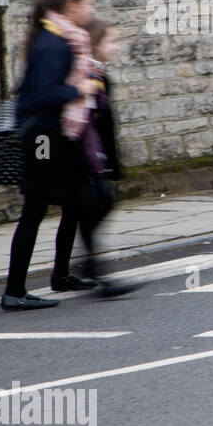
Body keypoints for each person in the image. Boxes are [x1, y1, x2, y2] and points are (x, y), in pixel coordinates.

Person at [2, 0, 98, 310]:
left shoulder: (62, 39)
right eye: (89, 3)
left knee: (75, 201)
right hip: (41, 135)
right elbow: (41, 94)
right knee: (36, 207)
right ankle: (14, 291)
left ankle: (61, 275)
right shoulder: (52, 43)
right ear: (71, 6)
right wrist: (80, 91)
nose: (92, 9)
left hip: (55, 132)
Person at [76, 18, 137, 297]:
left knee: (96, 206)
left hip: (97, 158)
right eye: (110, 41)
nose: (114, 47)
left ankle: (83, 267)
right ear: (94, 44)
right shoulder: (88, 77)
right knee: (95, 206)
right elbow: (87, 123)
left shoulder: (101, 76)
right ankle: (92, 269)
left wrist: (111, 163)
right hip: (84, 158)